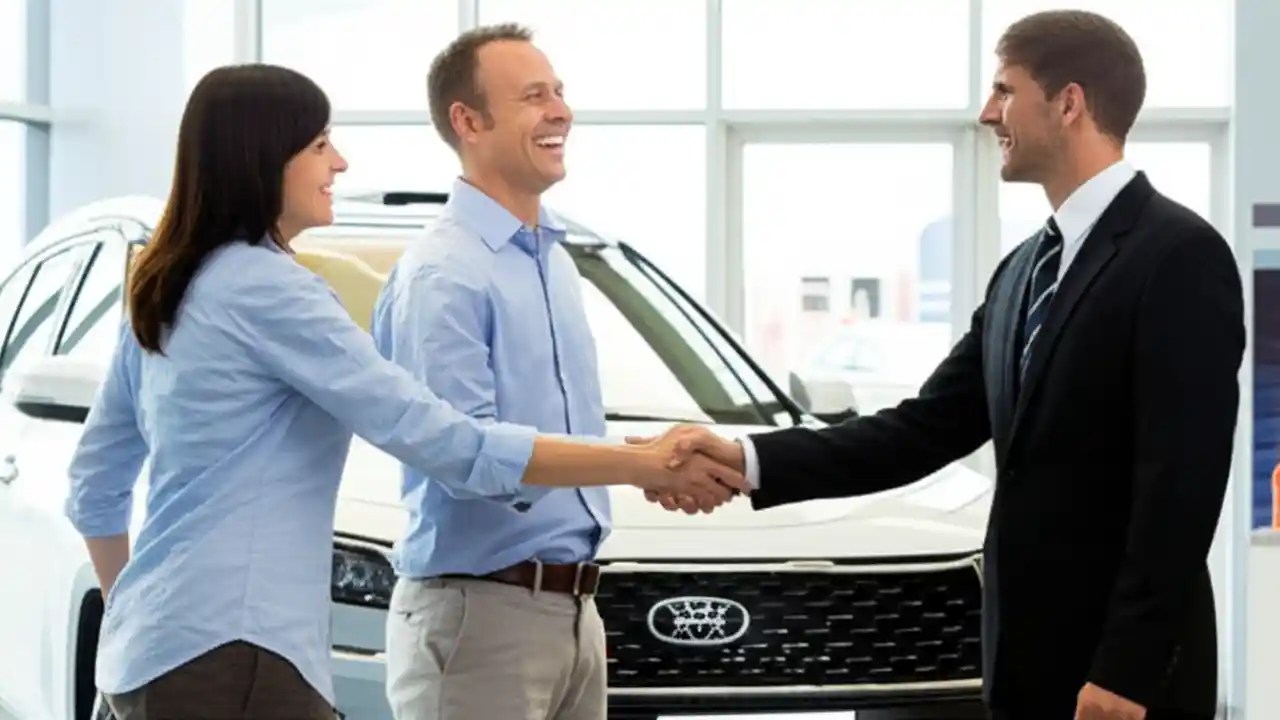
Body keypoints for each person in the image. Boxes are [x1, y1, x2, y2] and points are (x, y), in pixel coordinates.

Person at [64, 63, 746, 720]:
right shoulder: (272, 290)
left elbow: (94, 484)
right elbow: (447, 441)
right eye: (319, 145)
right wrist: (637, 462)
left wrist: (139, 611)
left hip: (153, 653)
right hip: (239, 655)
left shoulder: (166, 288)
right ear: (260, 158)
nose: (339, 163)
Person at [644, 10, 1243, 720]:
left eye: (1004, 90)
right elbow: (921, 430)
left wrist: (1126, 673)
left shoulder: (1179, 256)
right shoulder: (1023, 271)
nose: (987, 113)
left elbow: (1181, 487)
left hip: (1122, 685)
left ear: (1069, 103)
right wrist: (746, 458)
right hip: (1023, 668)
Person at [372, 23, 655, 720]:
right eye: (534, 97)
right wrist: (638, 464)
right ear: (468, 122)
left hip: (574, 614)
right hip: (482, 618)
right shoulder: (442, 273)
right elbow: (467, 457)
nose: (561, 111)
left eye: (558, 91)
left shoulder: (555, 261)